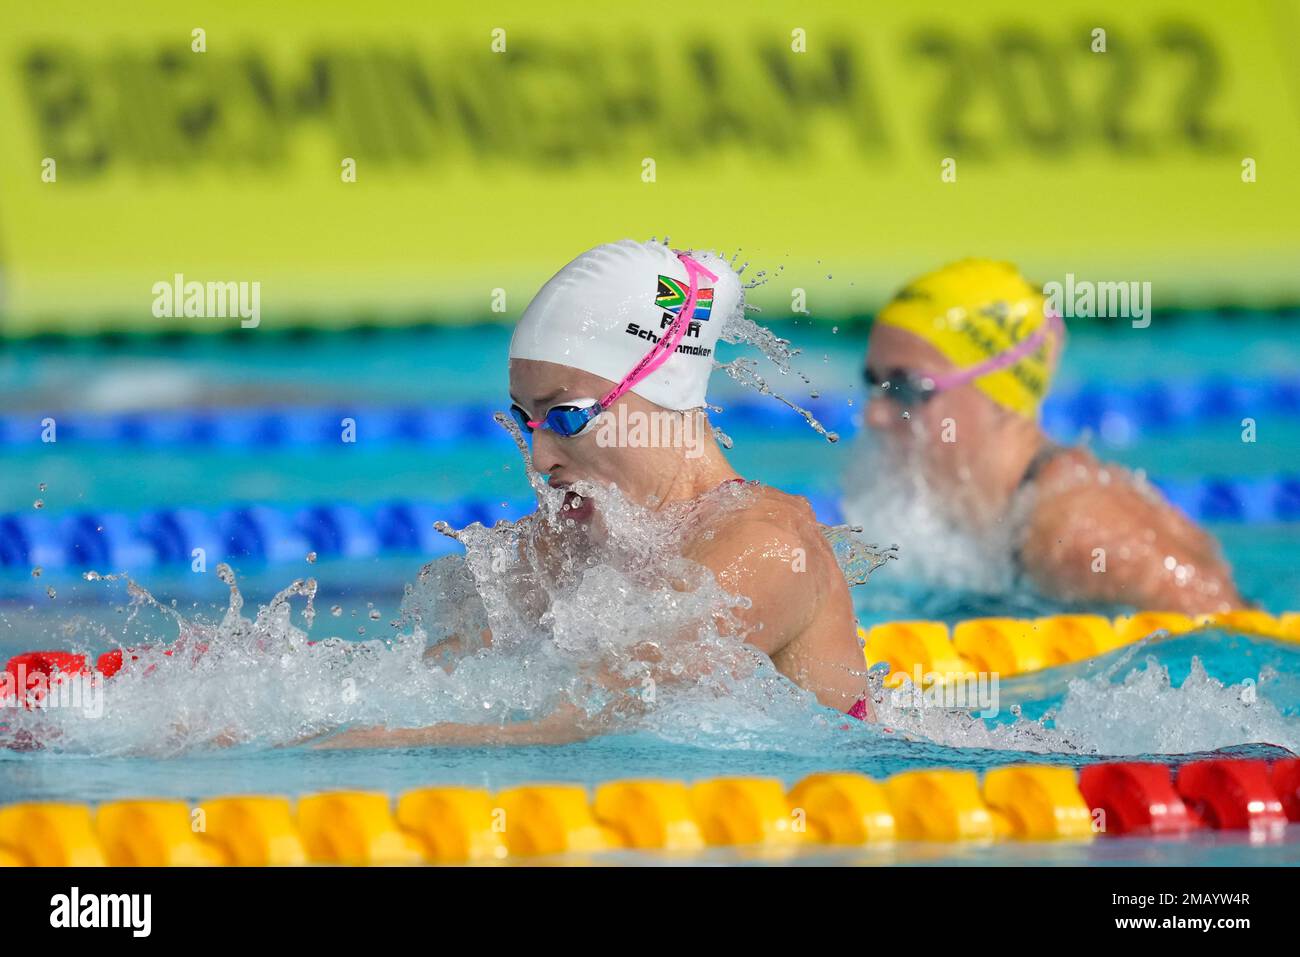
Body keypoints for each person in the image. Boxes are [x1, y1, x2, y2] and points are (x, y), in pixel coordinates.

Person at [319, 240, 872, 749]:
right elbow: (425, 681)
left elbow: (582, 722)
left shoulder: (765, 549)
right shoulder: (571, 543)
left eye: (567, 416)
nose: (540, 458)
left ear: (663, 390)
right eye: (526, 419)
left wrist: (376, 747)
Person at [854, 258, 1243, 614]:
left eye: (905, 387)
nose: (874, 414)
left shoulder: (1076, 531)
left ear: (1000, 392)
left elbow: (1231, 631)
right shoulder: (1000, 515)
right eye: (873, 383)